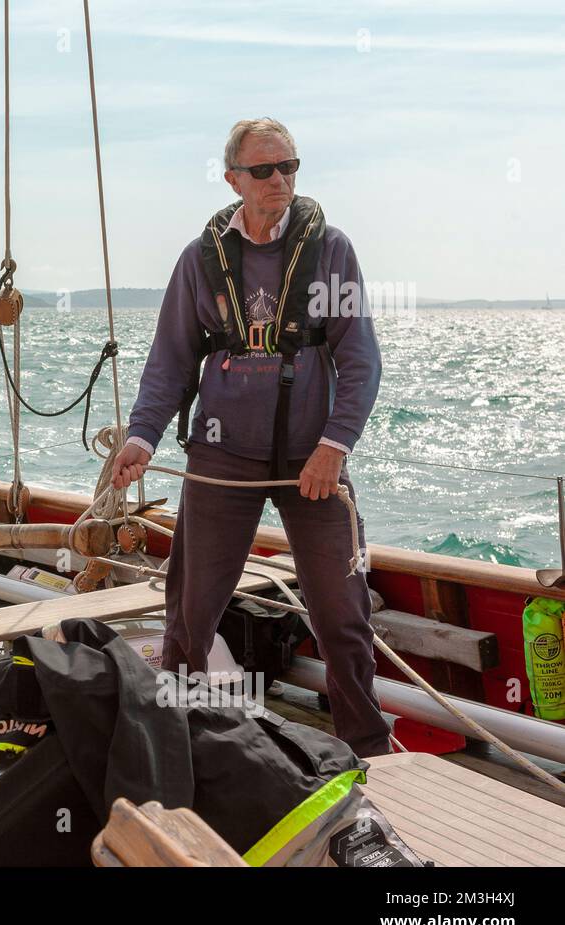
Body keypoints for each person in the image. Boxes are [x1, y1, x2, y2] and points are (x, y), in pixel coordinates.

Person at [111, 117, 391, 757]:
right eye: (263, 170)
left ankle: (369, 752)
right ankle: (170, 746)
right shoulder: (200, 259)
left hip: (313, 465)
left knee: (344, 616)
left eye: (290, 166)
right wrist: (141, 438)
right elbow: (171, 361)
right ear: (233, 178)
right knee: (188, 618)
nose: (280, 181)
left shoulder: (332, 251)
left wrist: (334, 446)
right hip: (222, 459)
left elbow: (361, 361)